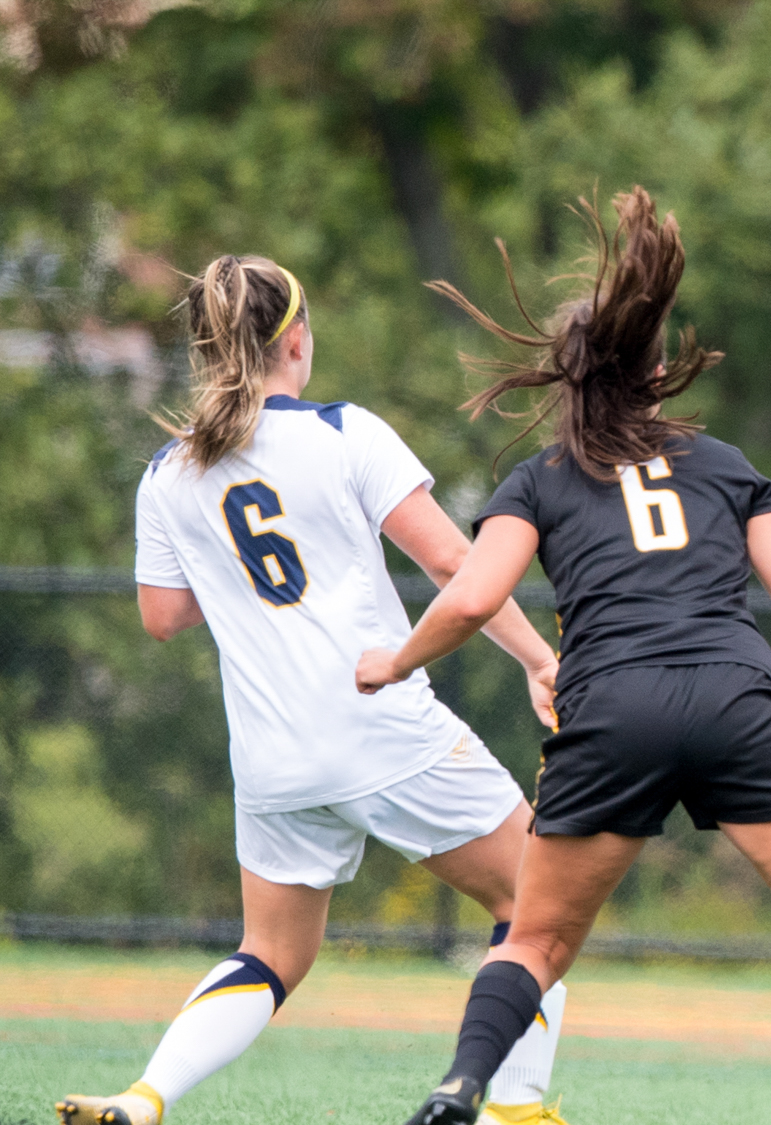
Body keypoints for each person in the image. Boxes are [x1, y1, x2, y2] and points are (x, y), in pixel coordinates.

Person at [355, 187, 771, 1125]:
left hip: (612, 708)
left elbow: (475, 596)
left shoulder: (538, 480)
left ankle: (460, 1087)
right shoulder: (727, 465)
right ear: (658, 372)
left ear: (571, 380)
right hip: (738, 703)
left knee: (533, 941)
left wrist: (396, 661)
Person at [58, 257, 572, 1125]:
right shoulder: (345, 433)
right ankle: (513, 1114)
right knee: (540, 902)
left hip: (271, 758)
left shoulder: (166, 473)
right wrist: (535, 658)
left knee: (271, 952)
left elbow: (163, 616)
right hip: (379, 726)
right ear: (296, 339)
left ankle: (144, 1098)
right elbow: (454, 561)